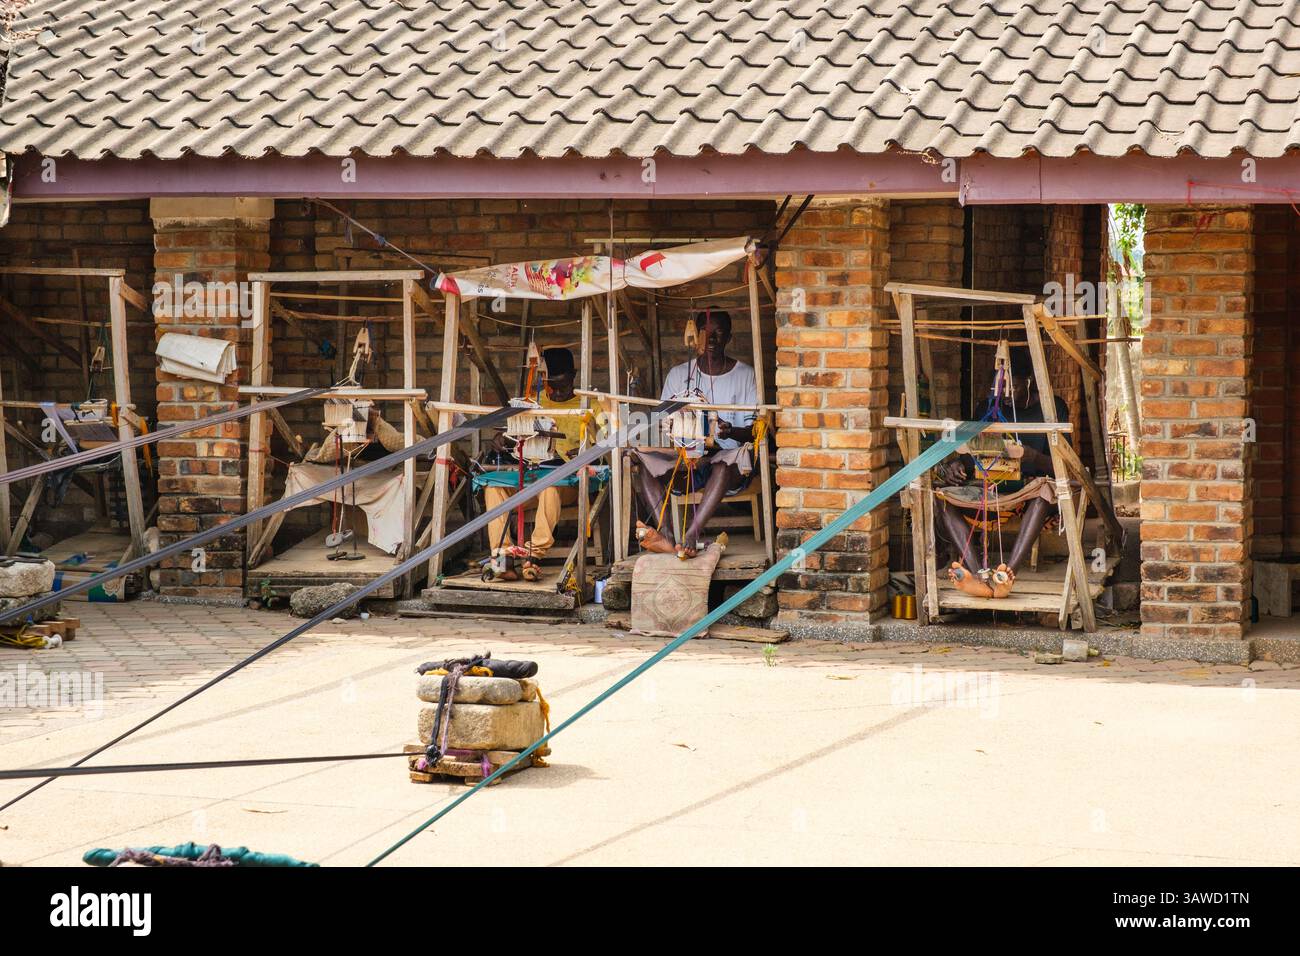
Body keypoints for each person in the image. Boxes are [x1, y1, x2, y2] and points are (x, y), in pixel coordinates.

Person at [935, 348, 1070, 599]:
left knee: (1045, 491)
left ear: (1028, 382)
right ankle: (980, 577)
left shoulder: (1053, 408)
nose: (1002, 397)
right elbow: (970, 452)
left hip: (1029, 489)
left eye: (1011, 388)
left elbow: (1064, 466)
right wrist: (956, 465)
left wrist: (1033, 457)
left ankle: (1006, 577)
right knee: (942, 497)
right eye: (996, 390)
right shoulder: (988, 407)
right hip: (990, 487)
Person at [633, 309, 758, 557]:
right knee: (641, 461)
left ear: (729, 338)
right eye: (704, 334)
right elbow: (663, 425)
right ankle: (666, 534)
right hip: (686, 461)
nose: (710, 341)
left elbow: (754, 432)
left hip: (725, 464)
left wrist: (729, 430)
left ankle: (692, 532)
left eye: (718, 334)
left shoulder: (745, 375)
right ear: (695, 338)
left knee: (724, 462)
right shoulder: (679, 375)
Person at [482, 347, 587, 581]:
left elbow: (608, 443)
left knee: (549, 486)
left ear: (574, 375)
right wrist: (503, 440)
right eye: (551, 386)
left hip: (567, 483)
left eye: (562, 385)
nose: (557, 392)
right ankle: (503, 559)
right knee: (494, 488)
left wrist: (586, 450)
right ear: (542, 380)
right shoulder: (533, 404)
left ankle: (533, 556)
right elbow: (514, 434)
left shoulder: (590, 405)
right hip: (530, 479)